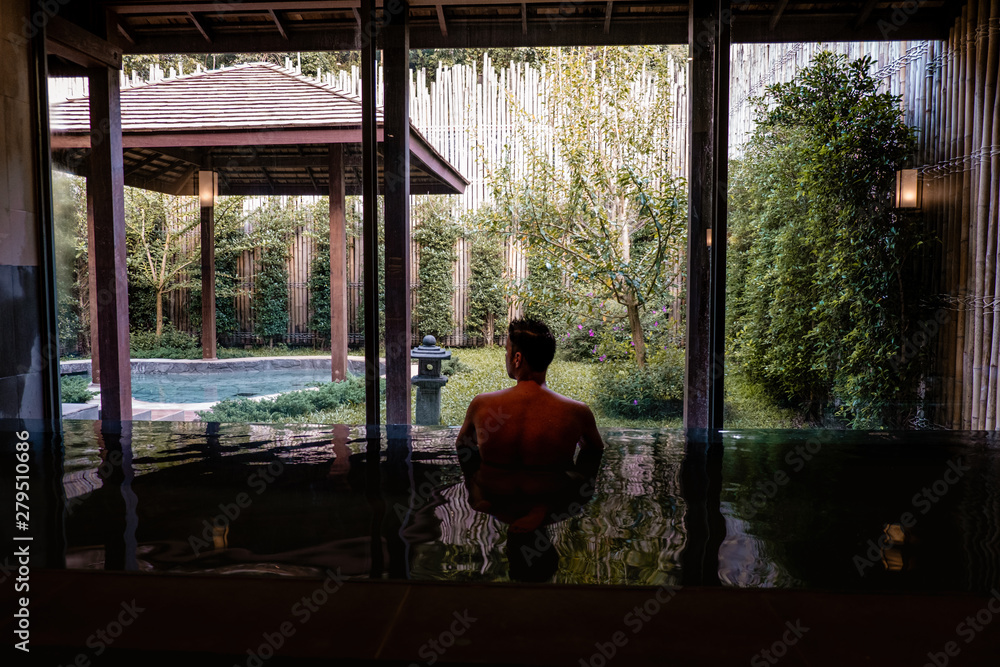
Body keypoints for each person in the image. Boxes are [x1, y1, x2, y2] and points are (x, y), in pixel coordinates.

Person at [455, 317, 605, 533]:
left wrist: (479, 495)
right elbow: (593, 454)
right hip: (550, 498)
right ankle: (539, 508)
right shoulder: (576, 412)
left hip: (495, 497)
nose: (505, 357)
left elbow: (464, 448)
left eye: (506, 351)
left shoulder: (483, 405)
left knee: (476, 494)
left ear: (517, 358)